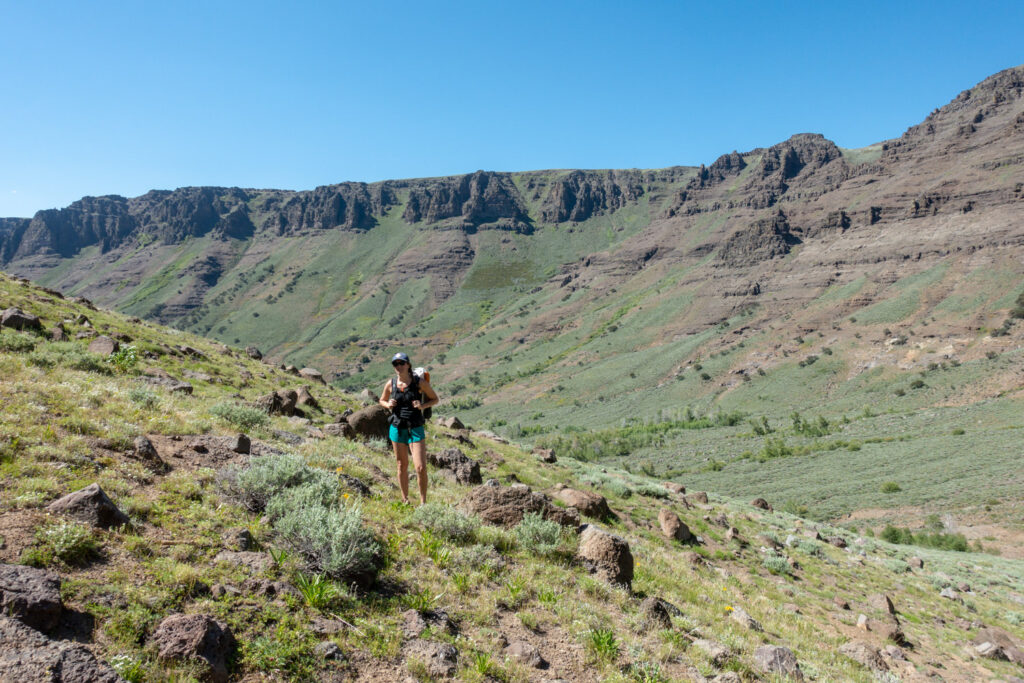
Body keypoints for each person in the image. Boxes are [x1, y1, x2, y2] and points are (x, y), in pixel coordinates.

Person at [379, 352, 438, 504]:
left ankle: (423, 503)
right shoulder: (391, 384)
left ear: (408, 365)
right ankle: (405, 500)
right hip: (397, 427)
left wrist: (422, 406)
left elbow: (435, 399)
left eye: (401, 363)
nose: (398, 366)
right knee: (401, 464)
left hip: (416, 426)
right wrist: (388, 404)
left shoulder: (419, 383)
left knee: (420, 467)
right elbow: (382, 400)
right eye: (395, 364)